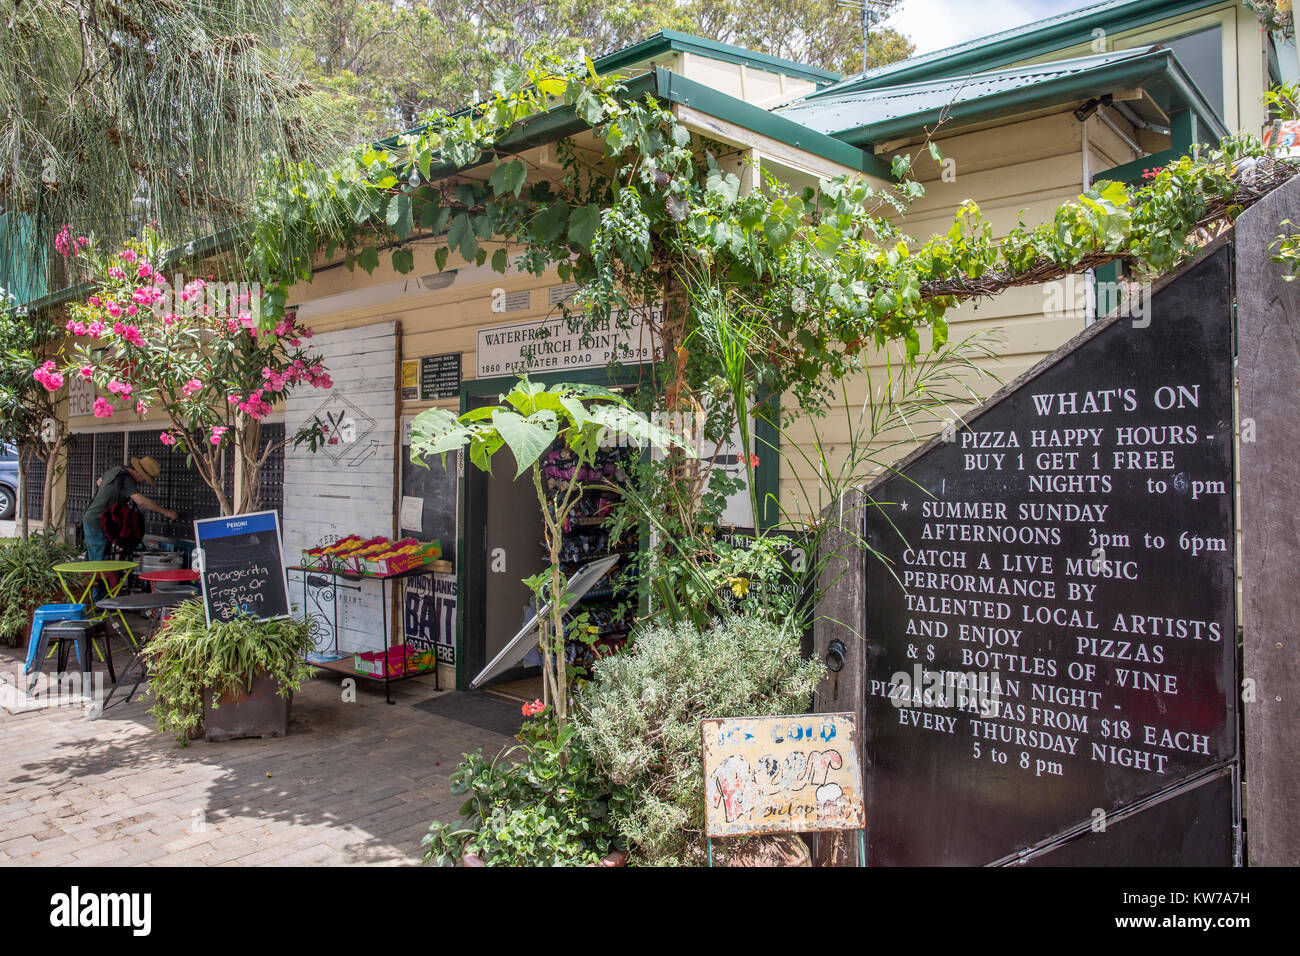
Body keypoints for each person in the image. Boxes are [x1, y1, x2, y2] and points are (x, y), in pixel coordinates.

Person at [82, 456, 177, 562]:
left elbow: (99, 482)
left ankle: (88, 578)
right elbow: (141, 501)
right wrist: (166, 512)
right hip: (97, 522)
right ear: (137, 472)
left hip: (92, 518)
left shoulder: (117, 470)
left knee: (92, 558)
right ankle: (96, 578)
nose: (143, 482)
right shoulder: (126, 479)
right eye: (144, 478)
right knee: (98, 561)